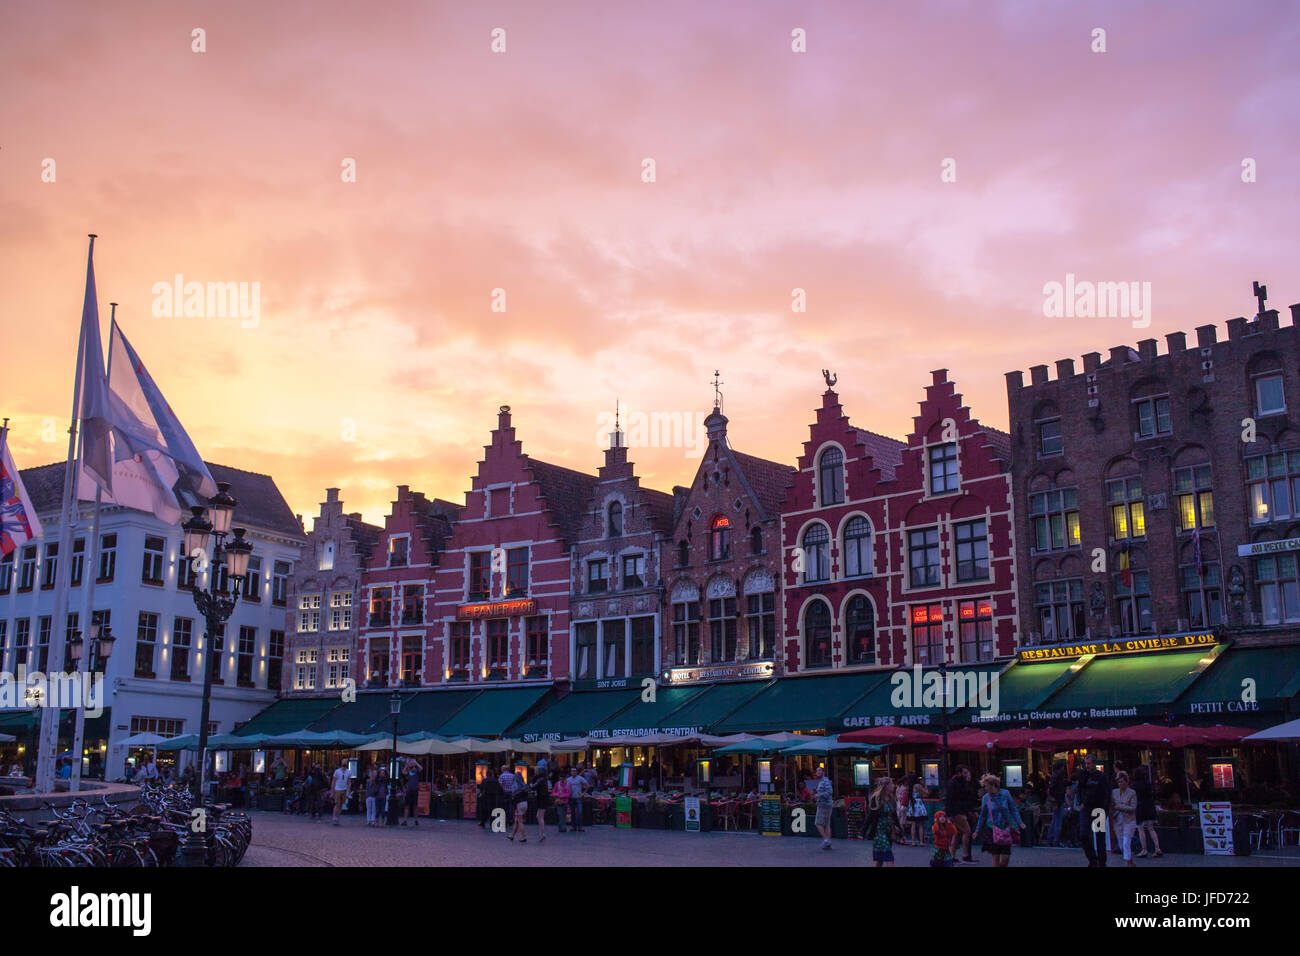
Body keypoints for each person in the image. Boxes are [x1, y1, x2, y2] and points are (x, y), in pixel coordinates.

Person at [974, 773, 1025, 868]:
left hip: (1005, 828)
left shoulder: (1005, 794)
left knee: (1006, 858)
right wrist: (977, 830)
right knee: (995, 857)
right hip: (992, 829)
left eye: (985, 786)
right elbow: (983, 816)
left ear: (992, 784)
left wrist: (1020, 822)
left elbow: (1013, 809)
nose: (985, 788)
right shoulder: (986, 798)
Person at [1077, 754, 1111, 867]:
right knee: (1083, 835)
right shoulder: (1083, 775)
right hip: (1086, 809)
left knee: (1100, 837)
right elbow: (1080, 789)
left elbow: (1107, 794)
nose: (1087, 766)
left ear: (1094, 763)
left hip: (1099, 809)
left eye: (1089, 763)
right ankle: (1092, 859)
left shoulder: (1101, 777)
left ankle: (1101, 862)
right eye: (1085, 763)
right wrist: (1080, 802)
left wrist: (1105, 810)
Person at [945, 766, 978, 863]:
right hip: (957, 811)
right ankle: (965, 854)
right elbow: (950, 798)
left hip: (958, 810)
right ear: (959, 773)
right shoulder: (955, 783)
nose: (967, 775)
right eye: (965, 773)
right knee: (967, 831)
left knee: (958, 833)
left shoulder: (958, 782)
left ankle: (952, 855)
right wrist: (949, 813)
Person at [866, 778, 900, 867]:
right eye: (892, 784)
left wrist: (899, 829)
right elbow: (871, 816)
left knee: (880, 859)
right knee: (889, 857)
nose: (894, 786)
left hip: (889, 830)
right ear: (886, 786)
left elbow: (894, 816)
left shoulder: (891, 799)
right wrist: (864, 830)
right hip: (879, 831)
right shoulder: (876, 799)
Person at [1133, 765, 1163, 858]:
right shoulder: (1148, 783)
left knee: (1140, 829)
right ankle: (1157, 848)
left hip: (1140, 807)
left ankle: (1144, 849)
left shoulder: (1135, 785)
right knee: (1151, 828)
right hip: (1149, 807)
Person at [1111, 770, 1138, 866]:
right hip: (1118, 821)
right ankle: (1131, 862)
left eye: (1122, 781)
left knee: (1126, 842)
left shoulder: (1132, 793)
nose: (1120, 784)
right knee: (1122, 845)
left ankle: (1126, 864)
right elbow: (1111, 805)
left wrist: (1120, 807)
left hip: (1129, 821)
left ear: (1127, 782)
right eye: (1118, 782)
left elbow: (1133, 807)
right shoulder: (1114, 792)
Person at [1046, 760, 1068, 846]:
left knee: (1054, 820)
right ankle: (1056, 840)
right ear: (1060, 767)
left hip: (1056, 800)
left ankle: (1050, 839)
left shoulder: (1054, 776)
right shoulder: (1058, 777)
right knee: (1058, 820)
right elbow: (1054, 788)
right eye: (1063, 766)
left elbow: (1051, 788)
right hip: (1058, 800)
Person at [812, 765, 834, 850]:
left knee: (818, 823)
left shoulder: (825, 781)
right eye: (817, 771)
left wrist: (818, 795)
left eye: (819, 770)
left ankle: (826, 840)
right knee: (827, 824)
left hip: (823, 805)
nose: (818, 772)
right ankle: (828, 841)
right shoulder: (822, 781)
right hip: (827, 804)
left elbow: (829, 792)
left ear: (823, 772)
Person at [508, 768, 530, 843]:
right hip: (525, 803)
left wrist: (515, 807)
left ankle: (524, 837)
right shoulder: (524, 785)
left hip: (519, 804)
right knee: (516, 821)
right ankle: (512, 835)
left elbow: (514, 797)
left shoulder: (515, 786)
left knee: (520, 821)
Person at [331, 761, 353, 826]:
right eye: (343, 762)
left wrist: (348, 791)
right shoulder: (337, 771)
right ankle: (334, 817)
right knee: (337, 804)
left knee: (341, 805)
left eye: (345, 762)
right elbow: (333, 781)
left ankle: (337, 818)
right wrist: (332, 791)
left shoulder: (348, 772)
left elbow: (349, 782)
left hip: (344, 789)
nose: (344, 763)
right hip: (337, 789)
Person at [401, 757, 421, 826]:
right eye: (410, 762)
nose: (411, 763)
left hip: (415, 790)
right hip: (409, 790)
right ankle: (405, 821)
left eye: (412, 762)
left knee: (415, 806)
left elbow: (421, 768)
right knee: (407, 805)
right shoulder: (408, 771)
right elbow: (403, 772)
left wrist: (416, 763)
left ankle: (416, 820)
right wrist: (407, 765)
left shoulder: (416, 770)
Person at [534, 769, 551, 841]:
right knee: (538, 816)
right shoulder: (544, 779)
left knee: (540, 817)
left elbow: (534, 786)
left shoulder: (540, 780)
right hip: (543, 799)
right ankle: (541, 833)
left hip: (542, 799)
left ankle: (542, 834)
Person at [567, 765, 586, 832]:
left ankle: (580, 827)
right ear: (570, 772)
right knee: (572, 813)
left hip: (578, 798)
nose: (573, 772)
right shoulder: (568, 779)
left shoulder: (580, 778)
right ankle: (573, 827)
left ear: (577, 772)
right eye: (572, 771)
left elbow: (587, 785)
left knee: (579, 812)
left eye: (575, 771)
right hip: (571, 798)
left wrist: (583, 794)